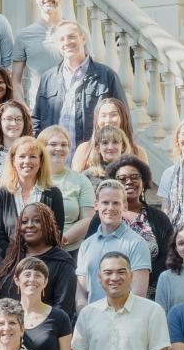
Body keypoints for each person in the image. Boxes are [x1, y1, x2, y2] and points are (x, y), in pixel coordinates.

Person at [87, 156, 173, 298]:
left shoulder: (159, 218)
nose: (128, 181)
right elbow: (92, 253)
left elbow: (168, 255)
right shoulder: (101, 217)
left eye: (134, 177)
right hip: (108, 292)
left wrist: (139, 277)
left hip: (151, 293)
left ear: (143, 182)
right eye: (122, 178)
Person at [34, 20, 128, 150]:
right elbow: (36, 120)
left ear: (83, 39)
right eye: (61, 39)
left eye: (71, 36)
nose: (67, 42)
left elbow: (124, 119)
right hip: (54, 157)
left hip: (93, 155)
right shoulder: (48, 78)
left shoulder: (106, 76)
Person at [0, 136, 65, 267]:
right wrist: (18, 261)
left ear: (41, 161)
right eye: (22, 156)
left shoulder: (53, 194)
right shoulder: (0, 194)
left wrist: (36, 263)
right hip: (6, 265)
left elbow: (56, 234)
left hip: (43, 266)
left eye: (33, 156)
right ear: (13, 160)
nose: (27, 161)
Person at [0, 203, 77, 318]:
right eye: (24, 222)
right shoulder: (12, 257)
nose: (29, 225)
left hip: (45, 327)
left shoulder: (63, 262)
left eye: (37, 221)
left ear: (48, 224)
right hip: (9, 326)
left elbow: (63, 309)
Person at [77, 180, 152, 308]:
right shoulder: (86, 245)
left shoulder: (137, 244)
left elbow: (138, 295)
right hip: (91, 317)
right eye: (105, 202)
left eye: (116, 203)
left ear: (125, 206)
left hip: (124, 318)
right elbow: (81, 294)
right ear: (96, 205)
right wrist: (84, 315)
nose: (110, 208)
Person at [37, 126, 96, 260]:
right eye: (53, 144)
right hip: (33, 249)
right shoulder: (32, 177)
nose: (59, 148)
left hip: (70, 251)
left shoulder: (81, 180)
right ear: (41, 148)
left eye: (64, 145)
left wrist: (60, 241)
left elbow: (88, 219)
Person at [11, 0, 64, 105]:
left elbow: (89, 71)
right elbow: (15, 80)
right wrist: (24, 109)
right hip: (38, 110)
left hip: (71, 109)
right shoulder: (24, 36)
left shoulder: (75, 32)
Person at [69, 97, 149, 171]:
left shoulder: (138, 152)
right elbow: (75, 180)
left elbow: (145, 180)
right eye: (103, 116)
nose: (108, 120)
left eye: (113, 115)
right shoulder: (85, 149)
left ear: (123, 118)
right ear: (97, 120)